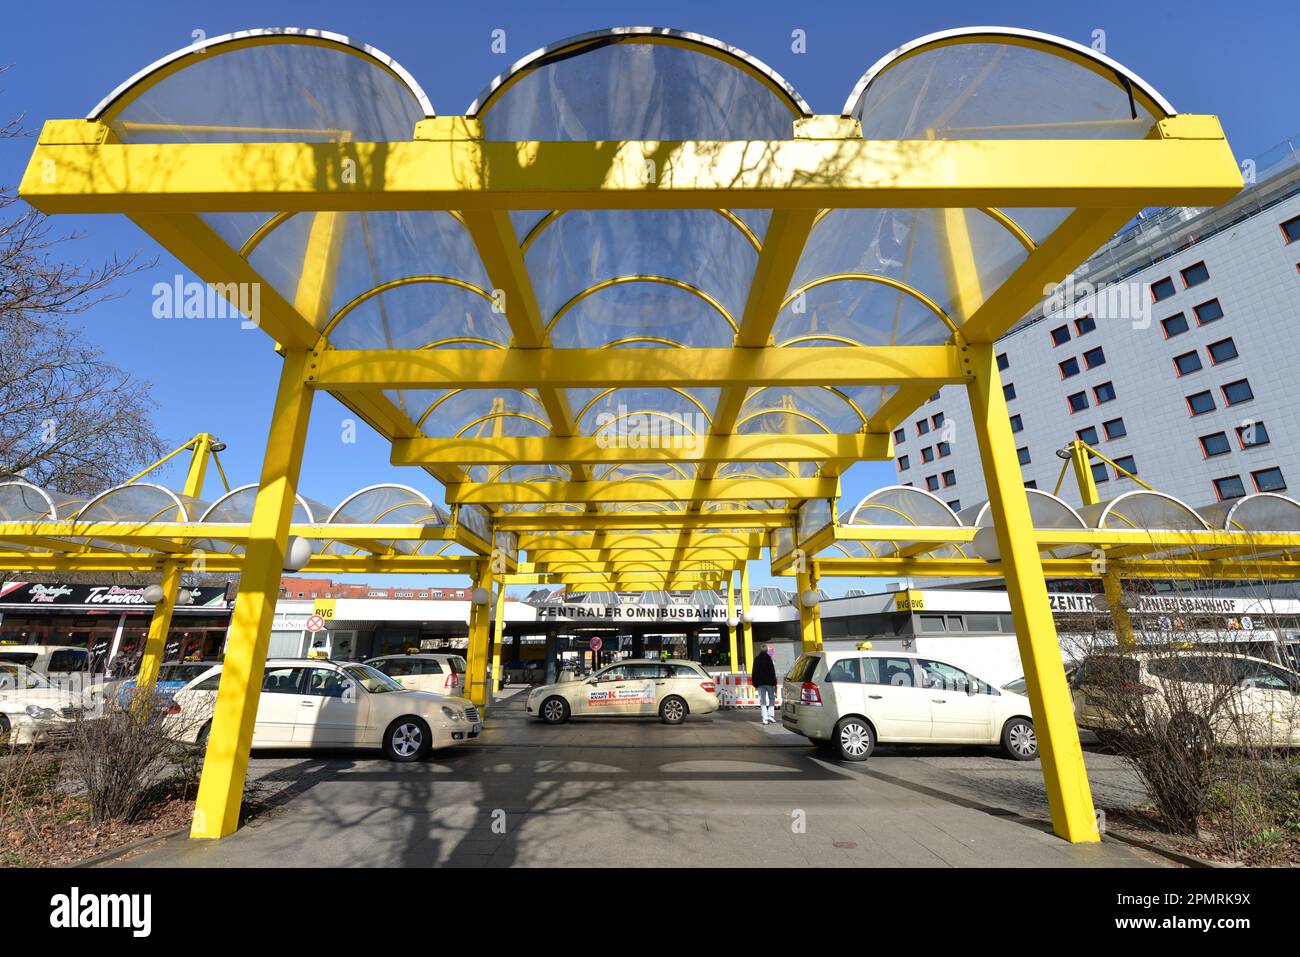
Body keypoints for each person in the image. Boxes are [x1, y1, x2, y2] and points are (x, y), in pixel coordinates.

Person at [751, 644, 778, 725]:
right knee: (772, 698)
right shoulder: (769, 659)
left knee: (762, 701)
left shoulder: (756, 659)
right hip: (769, 683)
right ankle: (771, 716)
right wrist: (774, 683)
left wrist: (755, 683)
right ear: (766, 650)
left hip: (760, 684)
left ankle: (765, 719)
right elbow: (772, 672)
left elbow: (754, 672)